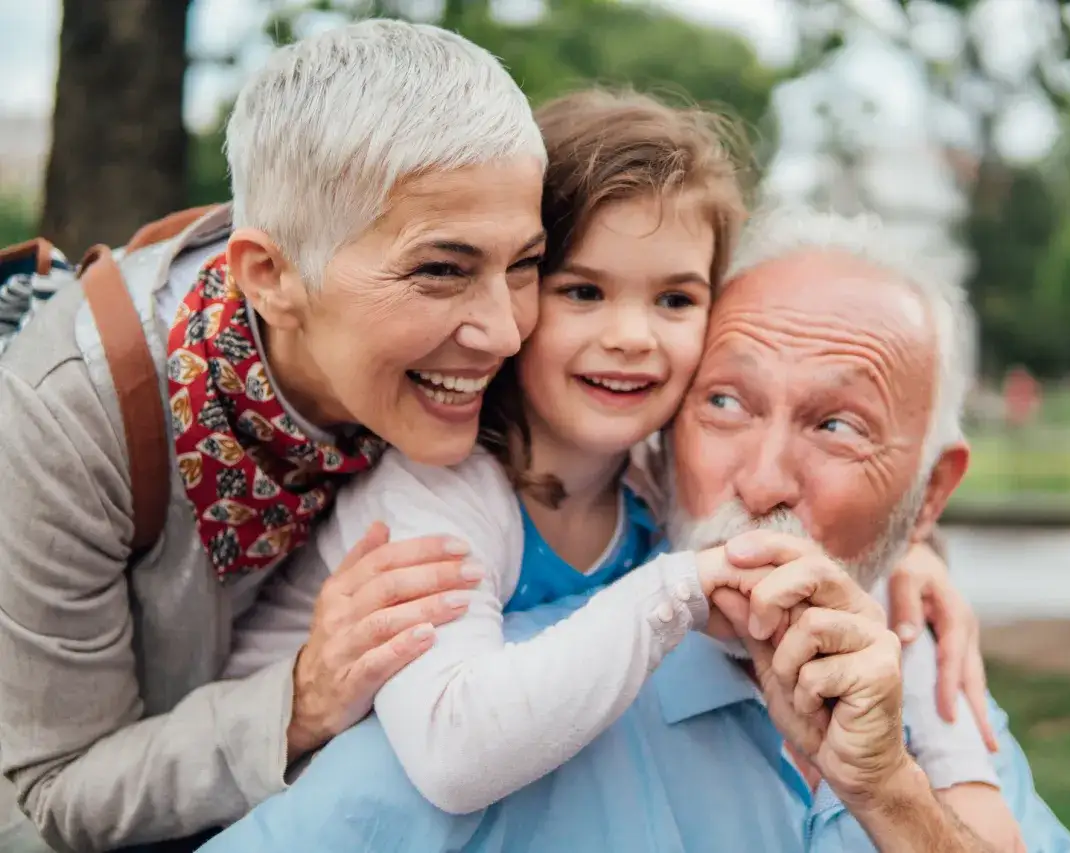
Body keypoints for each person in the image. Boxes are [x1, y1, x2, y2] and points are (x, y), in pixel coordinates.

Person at [217, 89, 1003, 823]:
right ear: (515, 295)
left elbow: (814, 540)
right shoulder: (440, 492)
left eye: (675, 299)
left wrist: (904, 554)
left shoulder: (654, 471)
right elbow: (452, 753)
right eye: (584, 291)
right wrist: (678, 589)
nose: (631, 336)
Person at [0, 20, 550, 852]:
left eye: (525, 263)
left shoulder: (437, 357)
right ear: (271, 275)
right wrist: (299, 701)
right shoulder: (68, 416)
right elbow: (47, 793)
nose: (507, 333)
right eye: (442, 269)